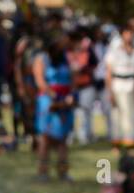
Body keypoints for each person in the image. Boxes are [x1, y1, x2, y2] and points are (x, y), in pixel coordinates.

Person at [33, 33, 74, 180]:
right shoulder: (41, 58)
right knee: (45, 138)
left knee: (63, 137)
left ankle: (63, 171)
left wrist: (70, 96)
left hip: (65, 101)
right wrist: (54, 97)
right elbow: (40, 81)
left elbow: (71, 78)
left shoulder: (65, 58)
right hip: (47, 101)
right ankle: (43, 172)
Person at [107, 19, 134, 145]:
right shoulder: (114, 50)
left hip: (133, 85)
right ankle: (117, 142)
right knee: (117, 115)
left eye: (132, 33)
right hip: (118, 84)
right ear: (122, 34)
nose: (130, 35)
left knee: (132, 114)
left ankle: (131, 141)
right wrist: (110, 92)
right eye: (127, 32)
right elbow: (108, 73)